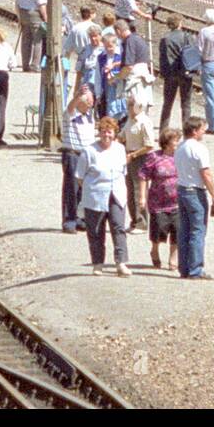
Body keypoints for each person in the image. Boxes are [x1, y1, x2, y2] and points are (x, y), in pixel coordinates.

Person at [77, 116, 131, 276]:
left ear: (114, 133)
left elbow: (123, 172)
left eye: (110, 132)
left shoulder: (120, 149)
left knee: (118, 227)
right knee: (95, 230)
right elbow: (79, 177)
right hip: (95, 195)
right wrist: (91, 189)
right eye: (103, 132)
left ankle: (121, 263)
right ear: (98, 133)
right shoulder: (89, 151)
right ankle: (98, 263)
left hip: (116, 193)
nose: (106, 135)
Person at [174, 116, 214, 280]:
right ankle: (195, 269)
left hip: (182, 190)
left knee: (184, 230)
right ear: (194, 131)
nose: (204, 132)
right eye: (202, 129)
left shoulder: (180, 147)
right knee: (198, 231)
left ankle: (184, 268)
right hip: (195, 192)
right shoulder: (199, 149)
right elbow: (206, 174)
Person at [140, 128, 181, 270]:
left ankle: (173, 257)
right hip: (158, 201)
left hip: (177, 201)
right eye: (175, 140)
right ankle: (155, 250)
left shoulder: (180, 156)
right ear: (167, 142)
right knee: (159, 229)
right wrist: (142, 198)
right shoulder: (154, 157)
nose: (178, 143)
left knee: (177, 229)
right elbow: (143, 176)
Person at [60, 86, 96, 233]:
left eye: (91, 101)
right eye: (88, 100)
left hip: (86, 156)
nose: (90, 103)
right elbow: (70, 107)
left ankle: (81, 219)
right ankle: (69, 220)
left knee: (84, 189)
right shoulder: (71, 115)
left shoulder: (90, 117)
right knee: (71, 189)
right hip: (73, 154)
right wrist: (77, 96)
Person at [121, 101, 157, 232]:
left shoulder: (144, 122)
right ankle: (134, 221)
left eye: (132, 105)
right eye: (128, 105)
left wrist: (134, 155)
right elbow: (122, 137)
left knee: (139, 192)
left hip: (140, 158)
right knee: (130, 192)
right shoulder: (129, 120)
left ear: (140, 107)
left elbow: (149, 145)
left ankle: (142, 223)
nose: (129, 107)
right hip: (129, 157)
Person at [158, 16, 195, 130]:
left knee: (167, 104)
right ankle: (187, 131)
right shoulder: (186, 37)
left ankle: (163, 131)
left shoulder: (165, 39)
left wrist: (163, 73)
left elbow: (162, 58)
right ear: (180, 24)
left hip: (170, 74)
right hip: (185, 73)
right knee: (186, 104)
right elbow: (192, 55)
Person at [114, 19, 154, 115]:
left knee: (135, 109)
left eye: (116, 33)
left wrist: (117, 77)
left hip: (136, 81)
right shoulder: (138, 38)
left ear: (118, 31)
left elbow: (129, 66)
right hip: (144, 77)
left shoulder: (129, 41)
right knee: (142, 109)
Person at [14, 0, 47, 73]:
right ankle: (35, 65)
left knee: (26, 41)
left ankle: (25, 65)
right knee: (37, 40)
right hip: (34, 14)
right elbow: (40, 3)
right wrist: (46, 18)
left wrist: (19, 18)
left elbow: (17, 4)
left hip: (23, 14)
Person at [78, 26, 106, 110]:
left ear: (100, 36)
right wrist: (76, 87)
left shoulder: (104, 49)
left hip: (100, 84)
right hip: (86, 82)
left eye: (95, 36)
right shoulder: (85, 49)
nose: (93, 38)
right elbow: (79, 69)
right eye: (91, 36)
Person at [101, 33, 127, 124]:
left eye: (110, 46)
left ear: (116, 44)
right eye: (106, 47)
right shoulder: (102, 57)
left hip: (120, 89)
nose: (108, 49)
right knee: (111, 109)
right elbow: (98, 75)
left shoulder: (121, 56)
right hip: (108, 89)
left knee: (122, 110)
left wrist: (112, 74)